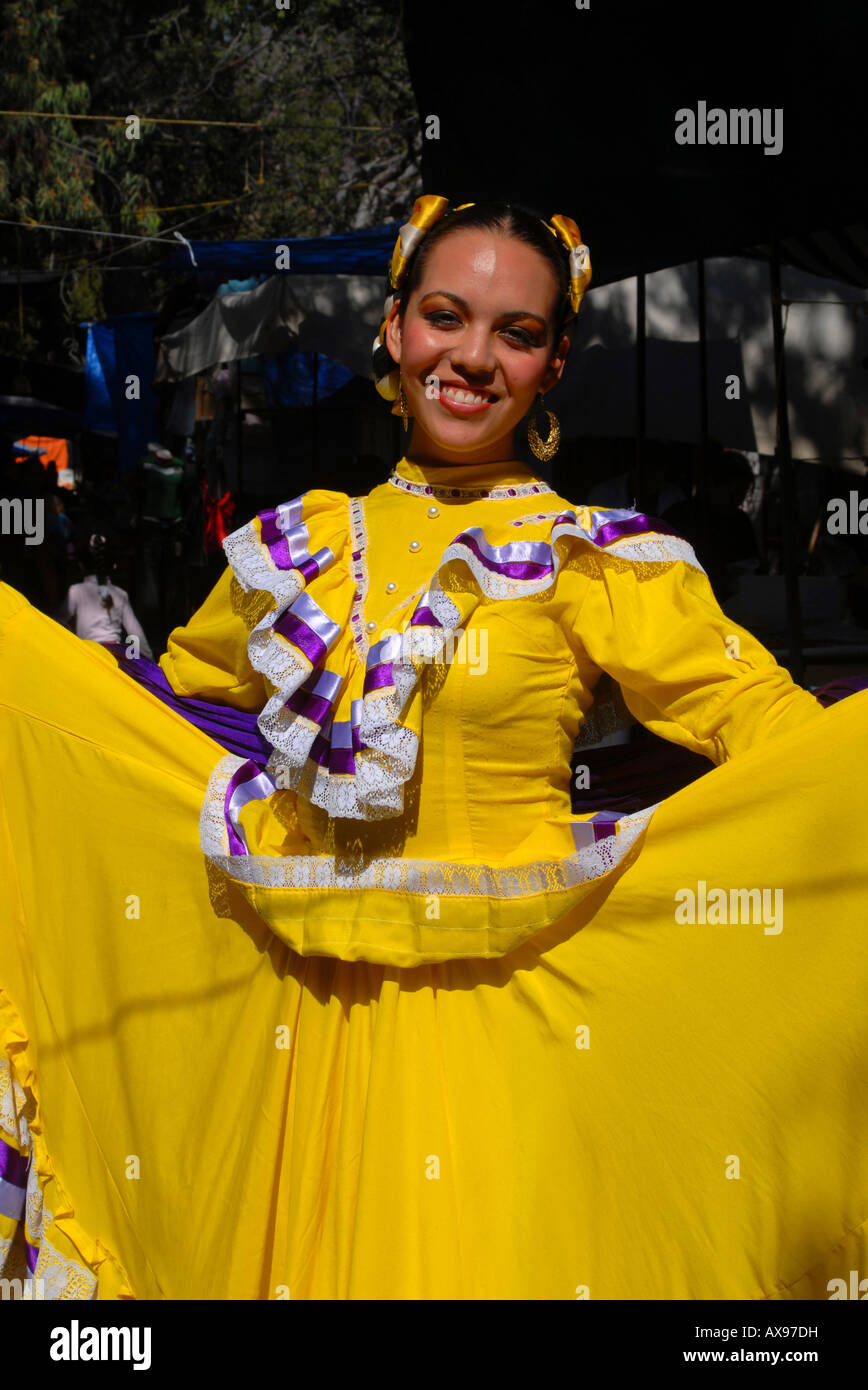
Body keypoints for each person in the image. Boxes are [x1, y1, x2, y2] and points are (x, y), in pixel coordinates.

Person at [0, 195, 866, 1301]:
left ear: (554, 364)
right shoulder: (290, 545)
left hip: (509, 1033)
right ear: (394, 326)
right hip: (289, 1019)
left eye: (516, 333)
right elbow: (173, 722)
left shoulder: (591, 559)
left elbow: (778, 739)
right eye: (445, 316)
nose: (470, 357)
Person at [54, 534, 154, 659]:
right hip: (115, 657)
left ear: (81, 565)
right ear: (114, 565)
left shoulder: (76, 591)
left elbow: (57, 622)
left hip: (88, 656)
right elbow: (136, 634)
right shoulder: (120, 594)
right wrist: (150, 663)